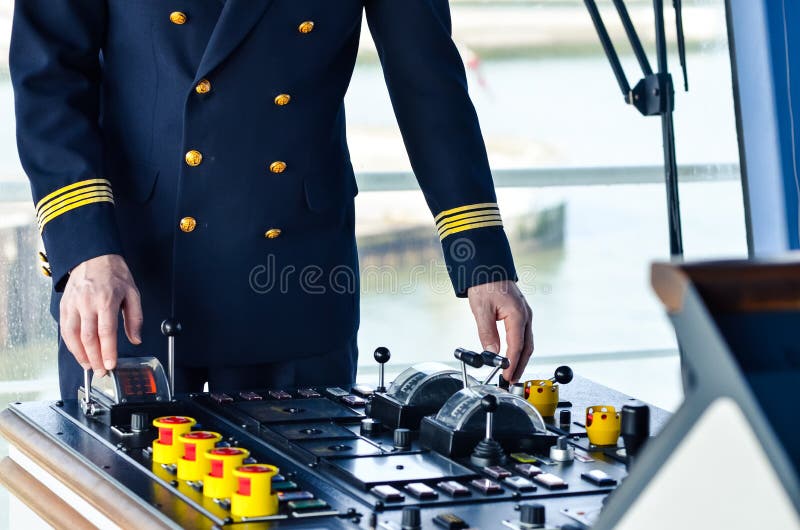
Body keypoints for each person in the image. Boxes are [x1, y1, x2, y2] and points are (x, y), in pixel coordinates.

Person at [10, 0, 534, 399]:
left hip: (293, 281)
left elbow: (428, 85)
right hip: (127, 282)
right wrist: (83, 247)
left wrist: (480, 259)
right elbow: (49, 73)